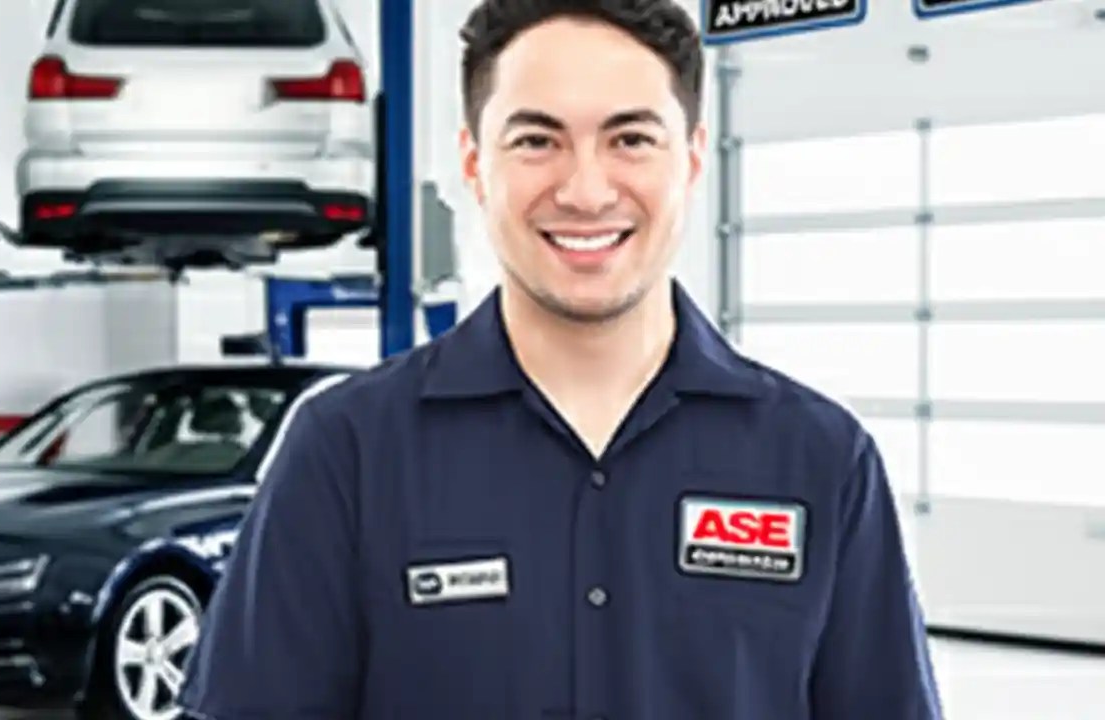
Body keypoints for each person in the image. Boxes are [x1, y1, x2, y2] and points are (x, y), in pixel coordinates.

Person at [176, 1, 944, 718]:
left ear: (693, 158)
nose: (584, 191)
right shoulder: (348, 451)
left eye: (630, 139)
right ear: (475, 163)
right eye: (537, 140)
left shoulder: (818, 459)